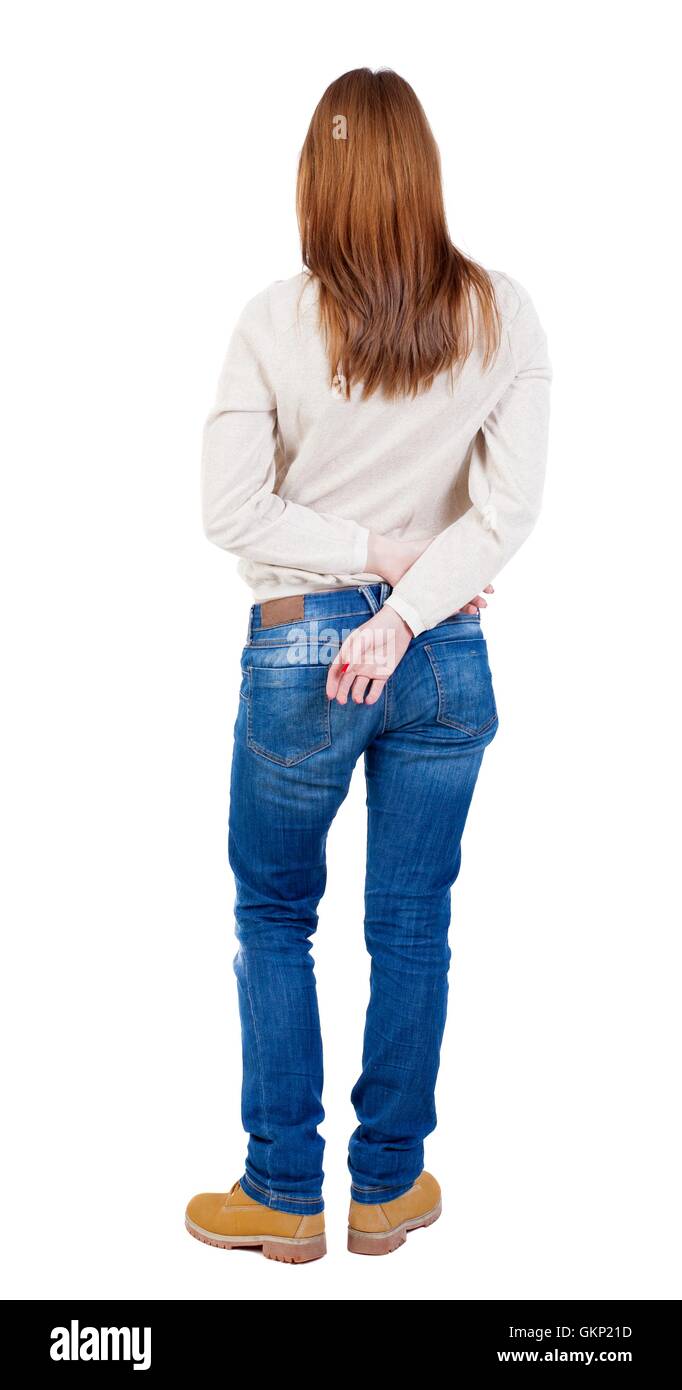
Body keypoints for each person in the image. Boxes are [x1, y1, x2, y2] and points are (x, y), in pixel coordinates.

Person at [185, 67, 551, 1262]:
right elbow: (504, 517)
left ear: (317, 177)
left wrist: (361, 574)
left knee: (275, 913)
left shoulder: (271, 321)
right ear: (423, 173)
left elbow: (230, 510)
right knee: (411, 924)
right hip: (445, 656)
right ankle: (387, 1188)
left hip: (301, 650)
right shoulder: (503, 314)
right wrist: (402, 593)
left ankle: (285, 1190)